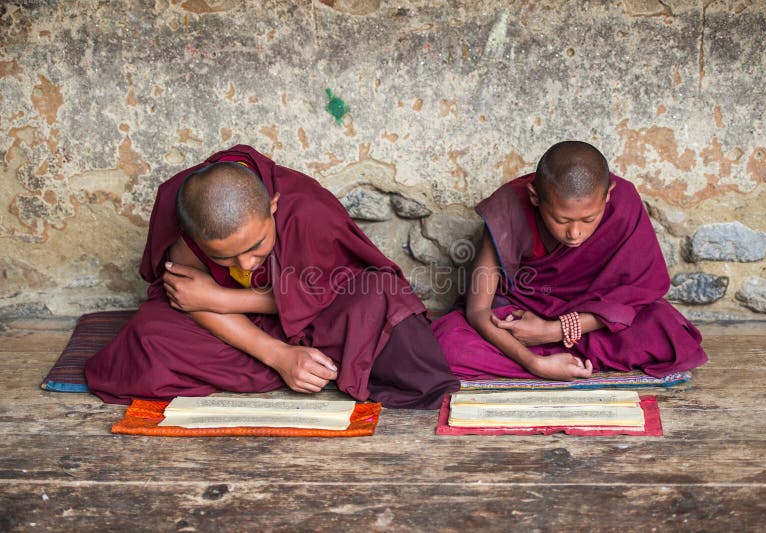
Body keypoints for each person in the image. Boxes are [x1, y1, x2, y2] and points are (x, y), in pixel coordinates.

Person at [86, 145, 459, 409]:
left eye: (257, 245)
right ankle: (315, 366)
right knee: (148, 337)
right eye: (225, 255)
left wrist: (221, 298)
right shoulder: (185, 214)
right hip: (247, 329)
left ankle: (311, 364)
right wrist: (277, 354)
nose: (246, 265)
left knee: (383, 299)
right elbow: (186, 296)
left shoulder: (307, 209)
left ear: (274, 207)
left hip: (319, 313)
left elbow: (334, 286)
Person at [432, 141, 707, 381]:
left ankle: (552, 354)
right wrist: (535, 362)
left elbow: (639, 292)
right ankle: (554, 360)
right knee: (445, 345)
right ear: (535, 198)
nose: (574, 234)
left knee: (667, 334)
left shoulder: (624, 204)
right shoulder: (508, 207)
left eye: (588, 220)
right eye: (561, 220)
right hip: (521, 314)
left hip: (590, 316)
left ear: (607, 196)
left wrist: (554, 331)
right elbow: (478, 311)